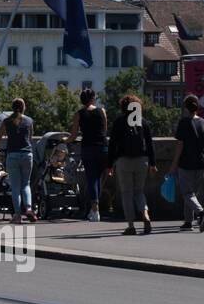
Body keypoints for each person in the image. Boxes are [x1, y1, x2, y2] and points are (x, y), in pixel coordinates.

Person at [107, 93, 157, 235]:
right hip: (142, 161)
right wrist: (153, 163)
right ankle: (145, 214)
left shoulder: (119, 122)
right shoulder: (143, 122)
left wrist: (109, 165)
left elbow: (112, 145)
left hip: (124, 161)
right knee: (139, 191)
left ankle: (131, 226)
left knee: (127, 193)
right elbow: (150, 144)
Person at [169, 94, 204, 232]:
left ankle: (201, 213)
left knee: (187, 193)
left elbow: (180, 145)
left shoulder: (183, 123)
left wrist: (174, 164)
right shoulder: (203, 122)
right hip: (200, 162)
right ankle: (188, 222)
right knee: (193, 194)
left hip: (186, 163)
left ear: (185, 108)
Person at [0, 98, 36, 224]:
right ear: (23, 108)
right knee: (26, 184)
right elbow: (30, 138)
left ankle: (17, 215)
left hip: (13, 155)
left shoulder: (6, 121)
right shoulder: (29, 121)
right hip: (27, 154)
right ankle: (28, 208)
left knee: (15, 186)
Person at [67, 87, 108, 222]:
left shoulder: (79, 114)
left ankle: (95, 209)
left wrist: (64, 140)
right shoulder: (101, 111)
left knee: (92, 179)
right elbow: (104, 131)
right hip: (102, 148)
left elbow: (73, 136)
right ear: (92, 98)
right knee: (99, 178)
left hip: (88, 148)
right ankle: (94, 208)